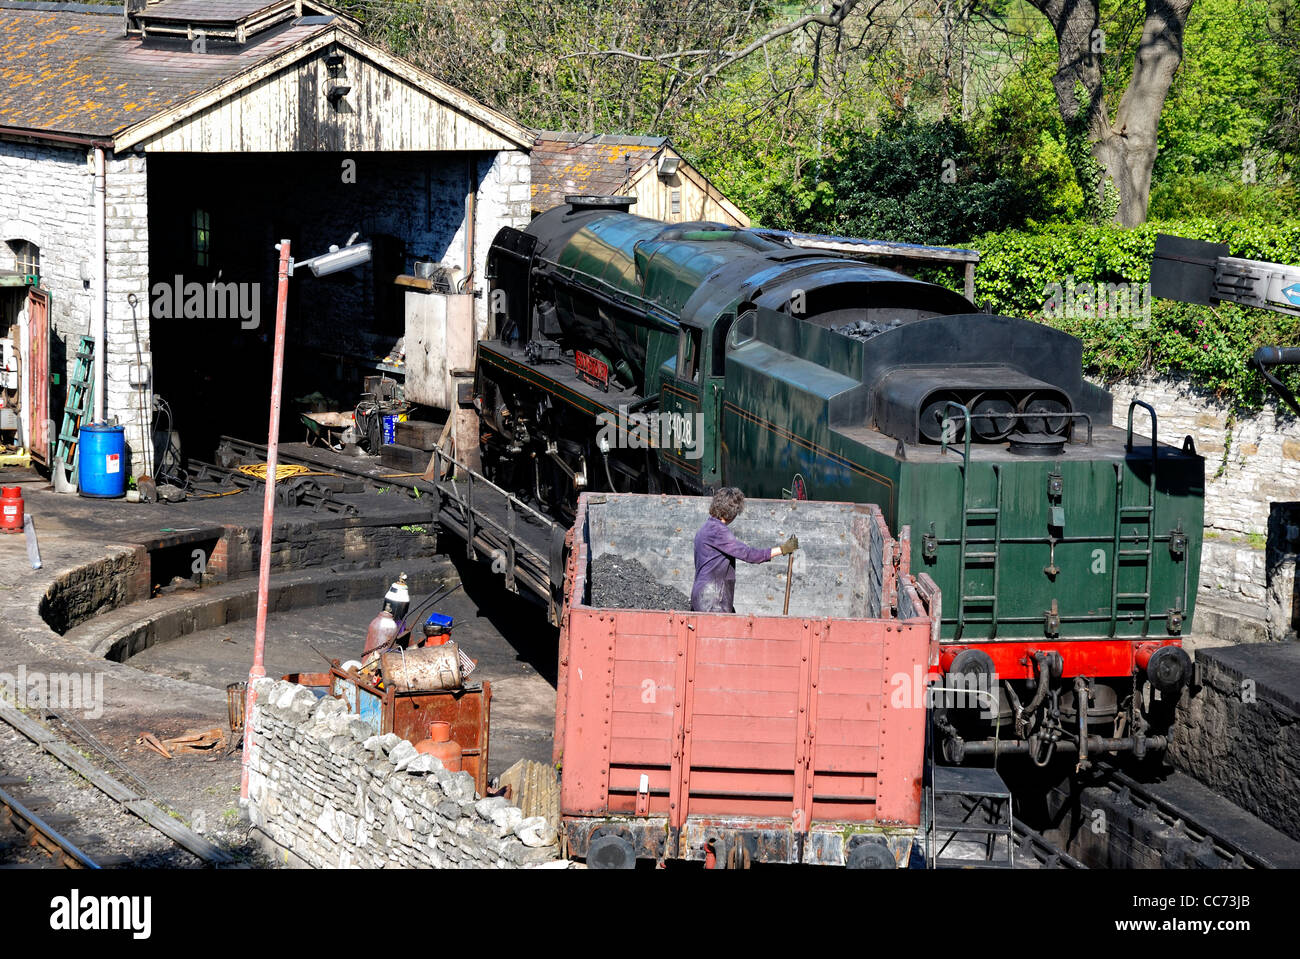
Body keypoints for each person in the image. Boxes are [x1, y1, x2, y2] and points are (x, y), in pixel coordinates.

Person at [691, 487, 798, 613]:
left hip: (704, 598)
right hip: (713, 602)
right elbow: (749, 555)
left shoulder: (706, 528)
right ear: (731, 513)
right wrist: (783, 549)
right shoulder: (718, 531)